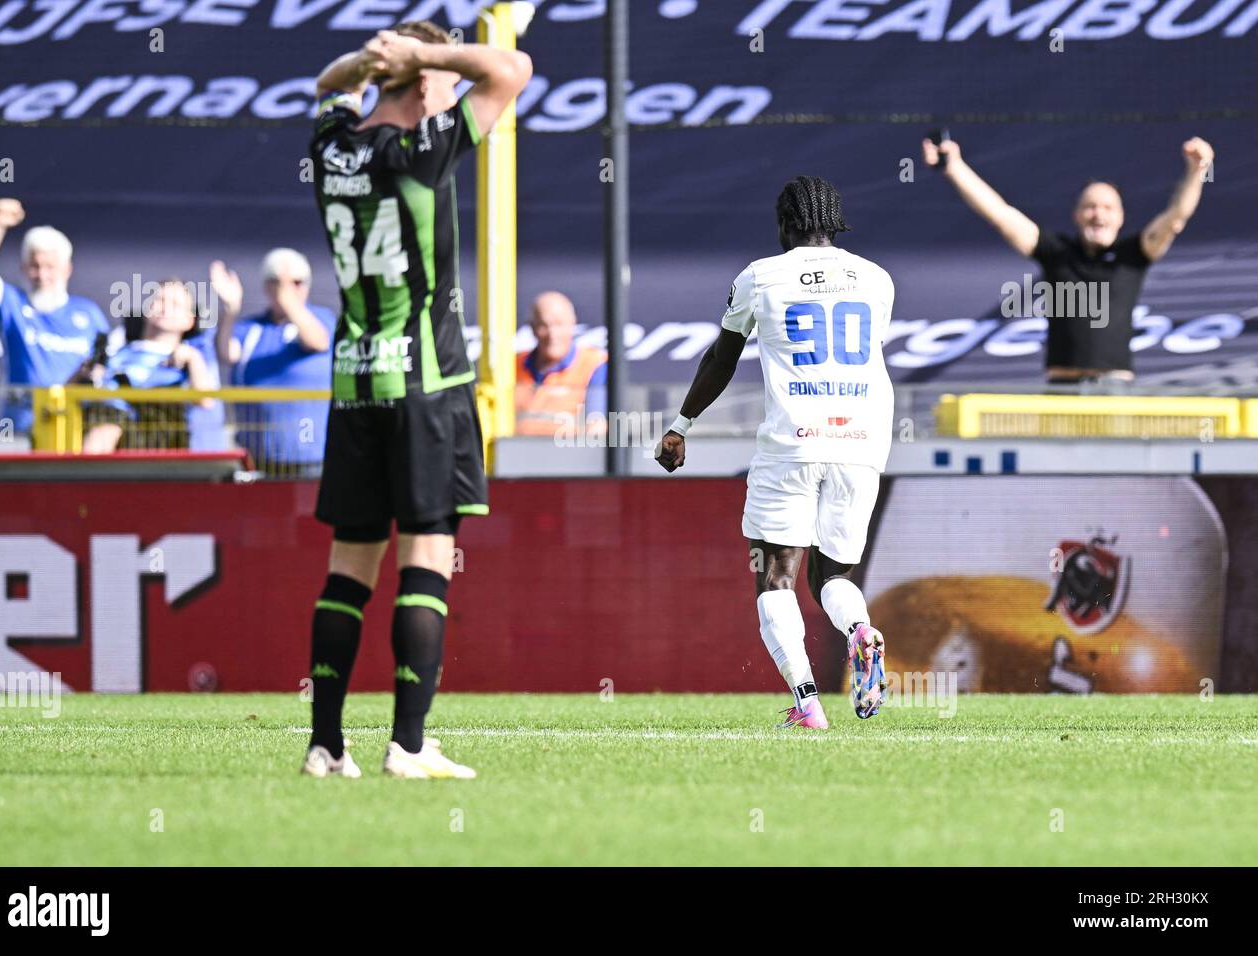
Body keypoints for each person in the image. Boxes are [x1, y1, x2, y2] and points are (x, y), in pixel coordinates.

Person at [302, 24, 531, 779]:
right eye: (437, 78)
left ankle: (325, 744)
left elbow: (328, 88)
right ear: (424, 82)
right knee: (427, 558)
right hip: (425, 387)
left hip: (354, 384)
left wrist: (376, 61)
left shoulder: (333, 149)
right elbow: (512, 67)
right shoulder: (424, 150)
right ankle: (407, 743)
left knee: (348, 571)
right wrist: (426, 55)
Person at [656, 176, 894, 729]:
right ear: (836, 224)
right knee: (834, 577)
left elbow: (722, 357)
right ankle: (860, 631)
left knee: (777, 577)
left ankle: (808, 701)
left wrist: (680, 425)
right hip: (862, 442)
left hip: (793, 442)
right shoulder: (878, 281)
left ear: (785, 225)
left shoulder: (760, 276)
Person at [923, 135, 1215, 384]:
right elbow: (1000, 214)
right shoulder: (1057, 252)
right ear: (1076, 215)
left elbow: (1176, 217)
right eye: (1090, 207)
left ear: (1120, 217)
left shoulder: (1134, 254)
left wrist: (1195, 171)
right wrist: (954, 167)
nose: (1098, 214)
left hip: (1115, 388)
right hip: (1062, 386)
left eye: (1107, 207)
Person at [0, 199, 109, 438]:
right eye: (35, 266)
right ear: (23, 267)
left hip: (74, 433)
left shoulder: (89, 314)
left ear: (67, 269)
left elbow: (107, 368)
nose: (42, 275)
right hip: (19, 432)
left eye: (50, 266)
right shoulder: (12, 303)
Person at [211, 250, 336, 475]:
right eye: (277, 283)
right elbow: (227, 353)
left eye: (297, 283)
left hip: (311, 460)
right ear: (267, 286)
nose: (287, 289)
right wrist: (230, 311)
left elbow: (316, 341)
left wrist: (289, 302)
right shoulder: (251, 328)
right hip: (258, 458)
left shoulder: (322, 318)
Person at [81, 279, 216, 453]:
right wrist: (85, 374)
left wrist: (193, 358)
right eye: (160, 300)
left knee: (107, 425)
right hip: (105, 420)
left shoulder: (189, 356)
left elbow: (206, 400)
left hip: (155, 432)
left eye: (175, 304)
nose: (165, 308)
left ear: (190, 320)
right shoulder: (114, 351)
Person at [514, 291, 607, 436]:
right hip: (512, 453)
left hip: (568, 454)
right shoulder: (512, 365)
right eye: (544, 325)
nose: (552, 334)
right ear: (532, 328)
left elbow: (596, 428)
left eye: (559, 324)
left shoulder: (594, 364)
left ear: (572, 324)